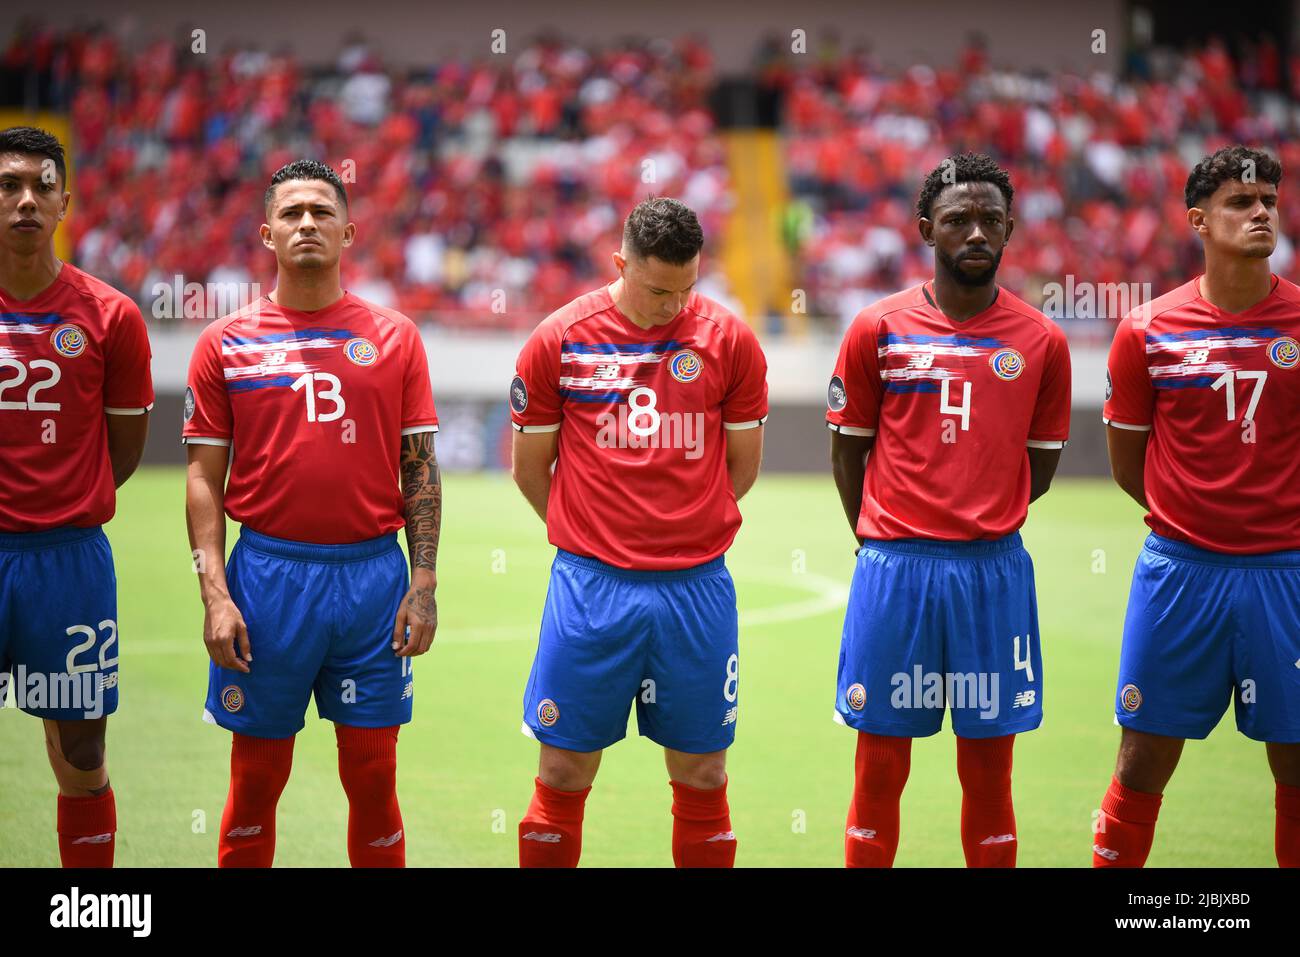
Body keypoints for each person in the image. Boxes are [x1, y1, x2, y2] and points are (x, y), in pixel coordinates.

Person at [183, 159, 441, 867]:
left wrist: (423, 582)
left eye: (322, 212)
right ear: (266, 231)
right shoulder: (224, 342)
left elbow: (417, 465)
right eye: (291, 213)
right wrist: (215, 595)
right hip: (267, 578)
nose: (306, 224)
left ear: (349, 231)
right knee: (257, 778)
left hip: (370, 579)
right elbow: (203, 476)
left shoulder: (395, 337)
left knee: (373, 776)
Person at [827, 152, 1070, 867]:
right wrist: (880, 542)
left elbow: (1041, 467)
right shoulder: (877, 326)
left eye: (990, 219)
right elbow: (849, 454)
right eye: (958, 218)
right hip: (895, 569)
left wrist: (978, 515)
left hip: (992, 575)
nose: (975, 232)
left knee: (990, 774)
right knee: (879, 769)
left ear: (1010, 229)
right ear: (926, 226)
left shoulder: (1041, 339)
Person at [510, 197, 768, 867]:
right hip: (590, 587)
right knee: (563, 773)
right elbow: (532, 470)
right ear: (620, 263)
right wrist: (593, 534)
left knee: (703, 775)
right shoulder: (559, 339)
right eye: (658, 289)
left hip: (696, 590)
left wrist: (679, 529)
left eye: (687, 288)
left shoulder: (730, 339)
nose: (673, 305)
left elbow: (740, 470)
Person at [1093, 145, 1300, 867]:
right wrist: (1197, 520)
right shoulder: (1147, 330)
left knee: (1296, 761)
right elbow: (1129, 464)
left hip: (1288, 575)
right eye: (1241, 202)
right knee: (1141, 759)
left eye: (1269, 199)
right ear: (1198, 221)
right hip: (1181, 572)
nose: (1261, 212)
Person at [0, 126, 154, 866]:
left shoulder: (111, 316)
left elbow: (121, 453)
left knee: (82, 747)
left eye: (40, 185)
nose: (25, 199)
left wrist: (62, 499)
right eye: (8, 185)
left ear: (64, 199)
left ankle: (85, 904)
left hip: (67, 559)